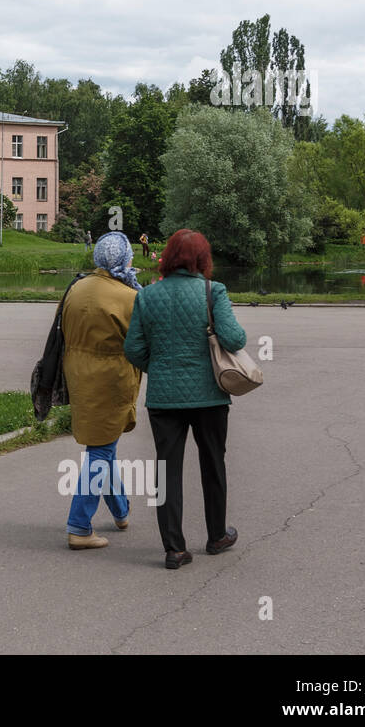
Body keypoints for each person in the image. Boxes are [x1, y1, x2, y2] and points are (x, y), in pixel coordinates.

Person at [124, 228, 246, 570]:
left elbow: (133, 348)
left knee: (167, 470)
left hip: (164, 400)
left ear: (168, 258)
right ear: (202, 260)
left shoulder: (146, 296)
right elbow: (234, 339)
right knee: (213, 463)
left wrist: (160, 368)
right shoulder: (213, 291)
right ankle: (217, 535)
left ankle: (174, 549)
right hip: (210, 397)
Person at [61, 231, 144, 550]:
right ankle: (80, 527)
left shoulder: (77, 287)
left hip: (78, 373)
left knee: (103, 445)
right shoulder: (129, 297)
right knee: (101, 450)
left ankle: (121, 509)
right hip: (111, 378)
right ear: (122, 259)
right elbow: (139, 345)